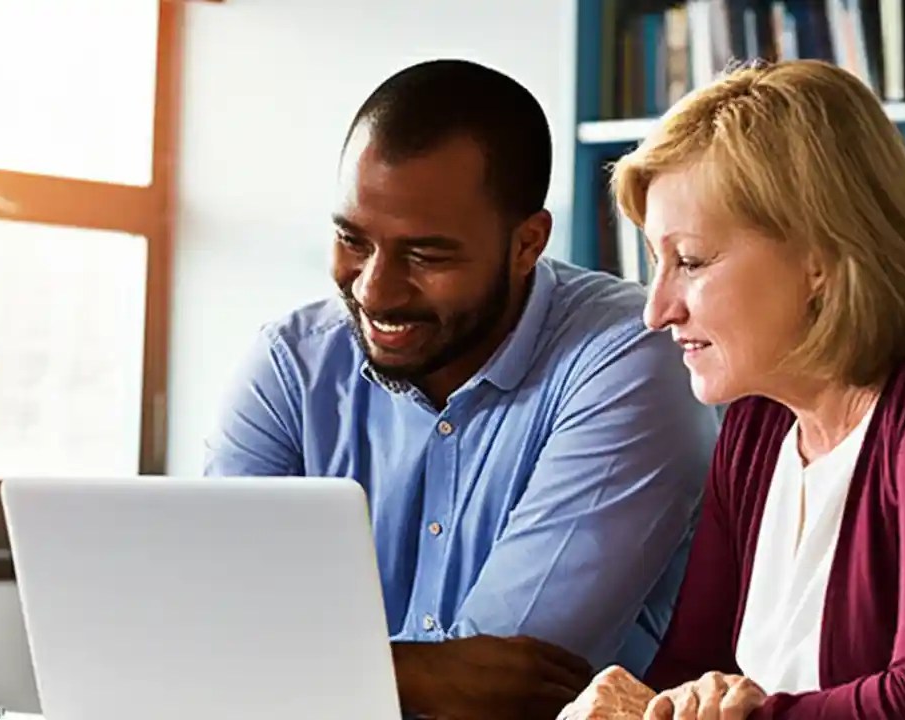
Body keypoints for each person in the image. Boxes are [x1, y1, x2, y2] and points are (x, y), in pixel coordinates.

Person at [203, 58, 718, 720]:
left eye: (426, 256)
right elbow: (212, 641)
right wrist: (415, 674)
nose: (375, 289)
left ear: (527, 244)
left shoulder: (629, 359)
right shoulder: (290, 366)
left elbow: (506, 693)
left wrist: (303, 667)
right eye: (352, 240)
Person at [559, 58, 905, 720]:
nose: (657, 309)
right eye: (655, 263)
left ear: (819, 257)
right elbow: (687, 678)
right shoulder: (756, 426)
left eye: (691, 262)